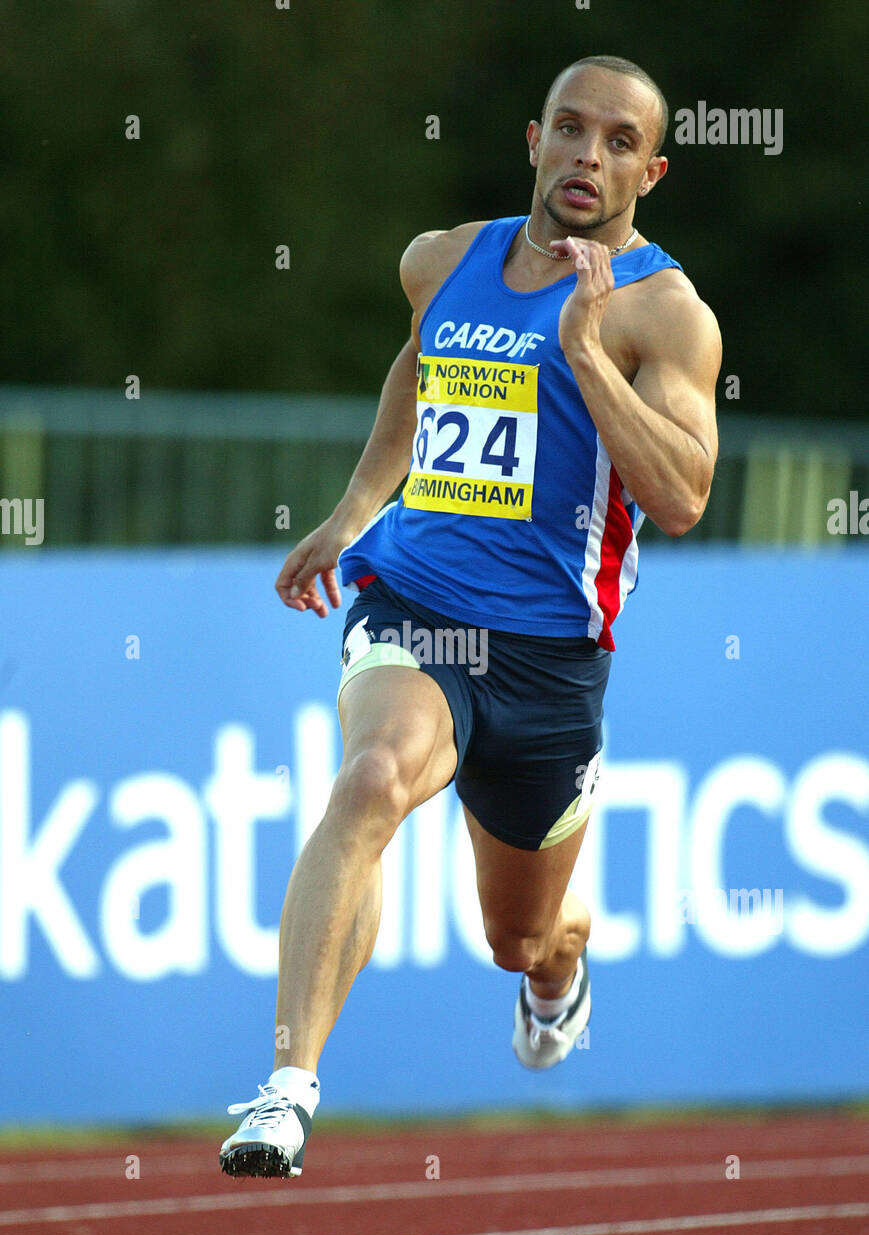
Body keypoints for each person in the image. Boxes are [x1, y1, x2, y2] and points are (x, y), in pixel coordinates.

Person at [219, 54, 722, 1178]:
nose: (587, 157)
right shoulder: (440, 261)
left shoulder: (666, 316)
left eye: (615, 141)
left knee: (517, 938)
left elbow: (682, 495)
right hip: (417, 603)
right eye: (569, 131)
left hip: (549, 662)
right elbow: (419, 367)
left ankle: (560, 971)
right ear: (532, 140)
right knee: (370, 776)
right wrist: (353, 512)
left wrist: (584, 353)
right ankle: (287, 1090)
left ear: (651, 166)